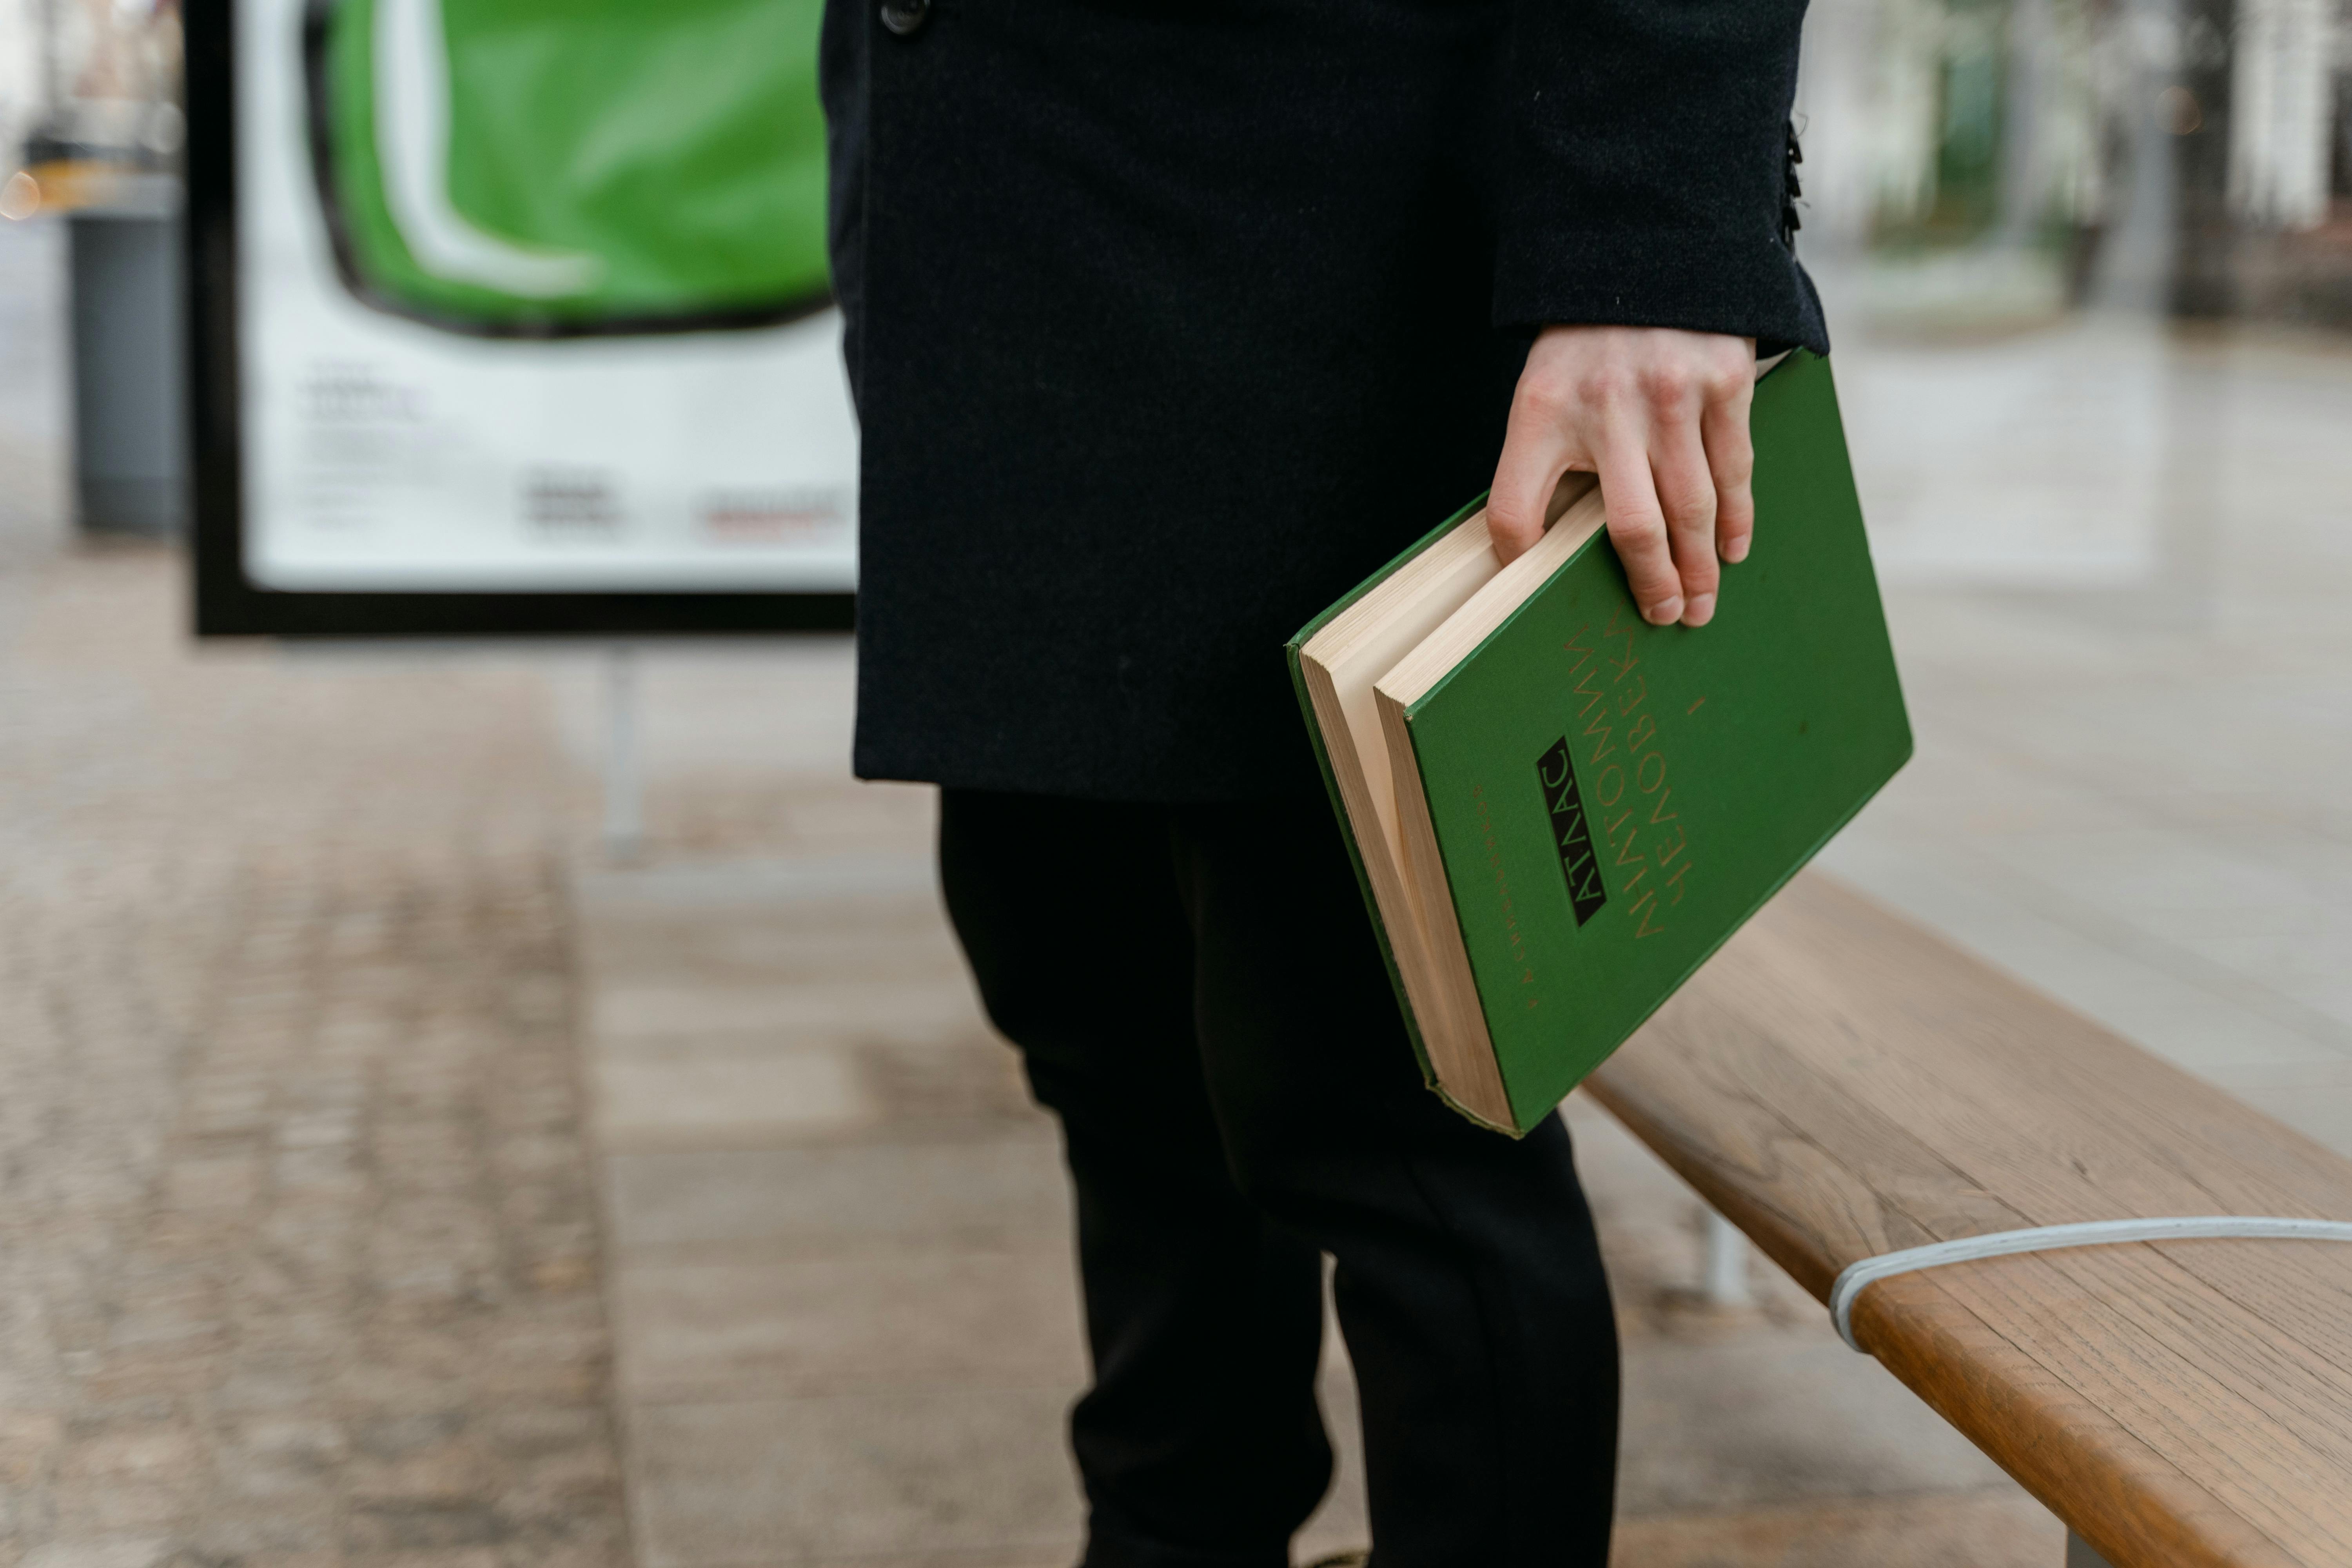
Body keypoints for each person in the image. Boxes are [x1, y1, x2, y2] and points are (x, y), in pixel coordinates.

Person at [820, 4, 1825, 1563]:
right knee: (1112, 1039)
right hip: (1002, 232)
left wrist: (1656, 223)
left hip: (1329, 249)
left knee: (1390, 1111)